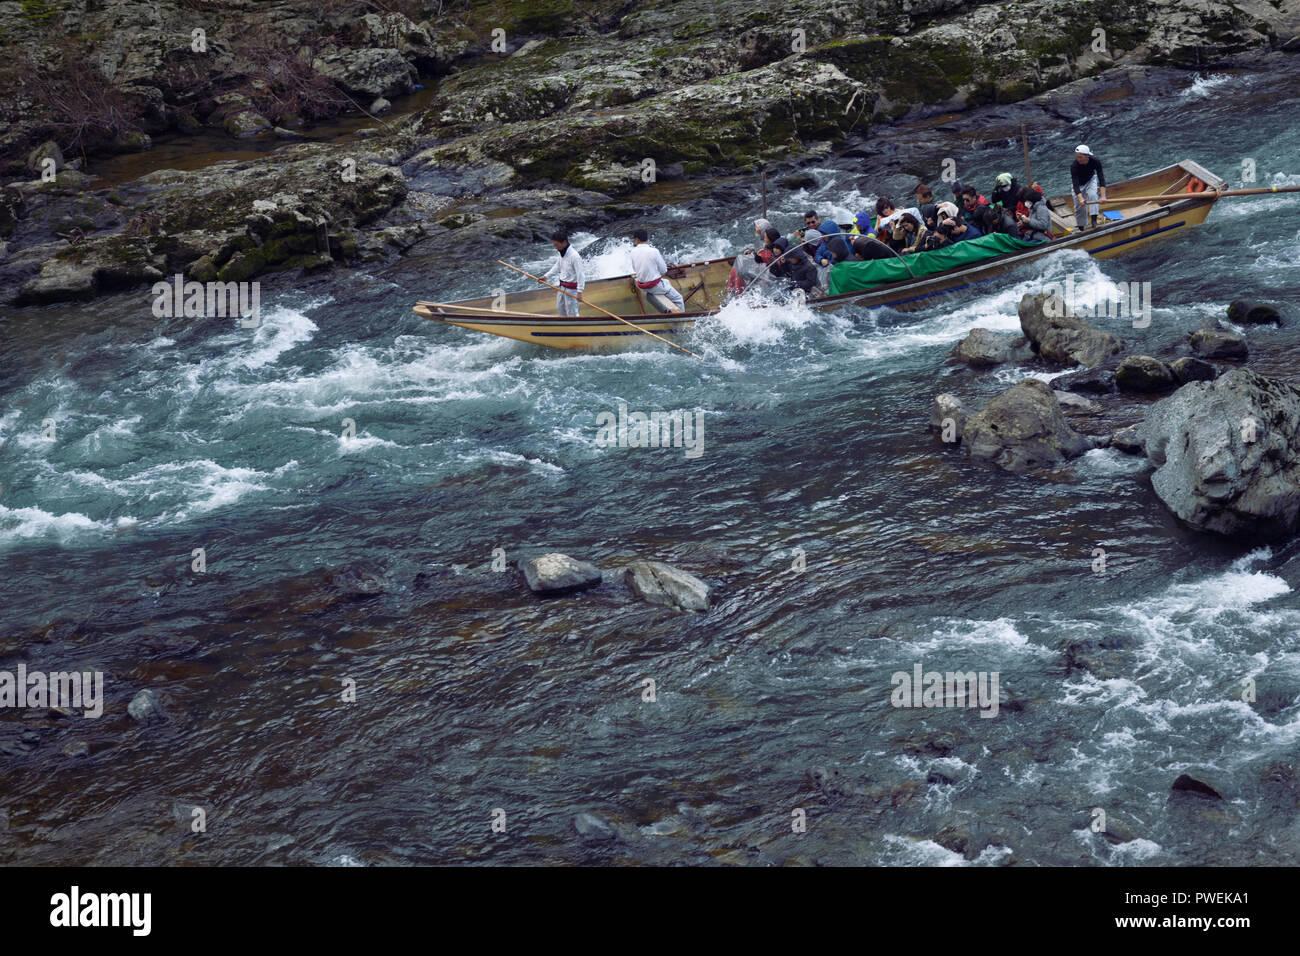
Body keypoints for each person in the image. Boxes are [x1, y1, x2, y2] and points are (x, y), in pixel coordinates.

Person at [629, 228, 684, 312]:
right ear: (647, 239)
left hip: (642, 285)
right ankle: (682, 321)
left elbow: (635, 268)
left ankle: (665, 310)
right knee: (678, 298)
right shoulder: (654, 251)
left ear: (637, 240)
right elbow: (663, 270)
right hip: (653, 286)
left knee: (666, 282)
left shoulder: (633, 252)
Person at [543, 230, 584, 315]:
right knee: (561, 309)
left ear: (564, 242)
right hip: (561, 287)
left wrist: (580, 292)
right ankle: (566, 327)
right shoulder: (561, 252)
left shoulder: (575, 256)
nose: (555, 247)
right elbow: (557, 266)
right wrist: (546, 276)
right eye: (554, 245)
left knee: (572, 312)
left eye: (556, 245)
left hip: (571, 290)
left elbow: (581, 275)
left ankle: (575, 327)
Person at [1071, 144, 1107, 230]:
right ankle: (1081, 227)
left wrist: (1103, 196)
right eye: (1077, 157)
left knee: (1093, 195)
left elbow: (1101, 178)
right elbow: (1075, 185)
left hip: (1090, 180)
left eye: (1080, 157)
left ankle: (1094, 221)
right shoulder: (1074, 166)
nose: (1078, 159)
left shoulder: (1095, 161)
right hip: (1079, 184)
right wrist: (1081, 199)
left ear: (1087, 156)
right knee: (1079, 206)